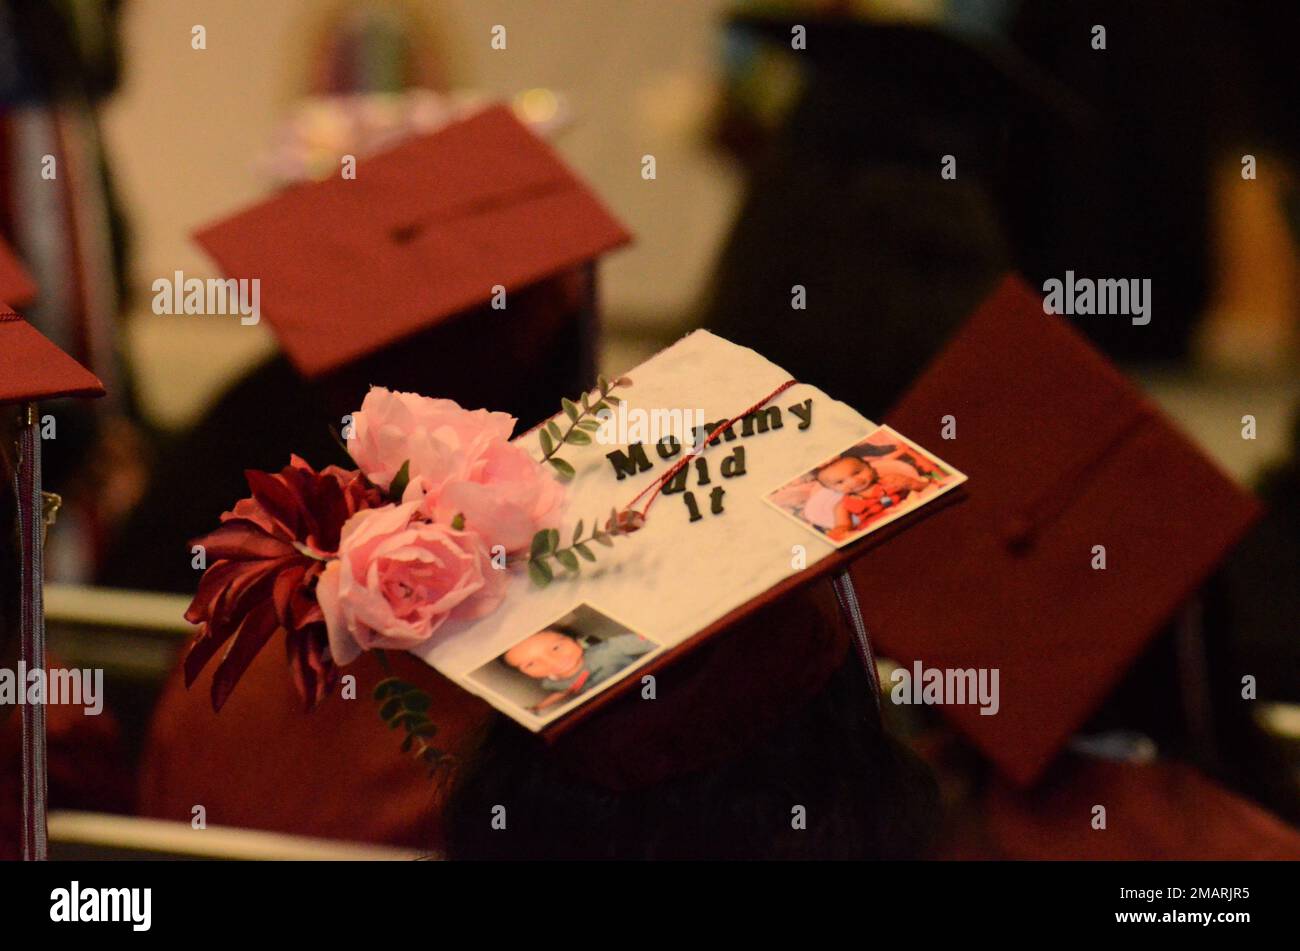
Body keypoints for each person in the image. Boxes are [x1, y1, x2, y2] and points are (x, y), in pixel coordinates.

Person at [503, 627, 653, 714]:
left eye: (556, 648)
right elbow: (563, 691)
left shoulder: (610, 648)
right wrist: (539, 706)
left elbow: (652, 641)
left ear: (574, 640)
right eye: (530, 664)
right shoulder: (550, 683)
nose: (553, 661)